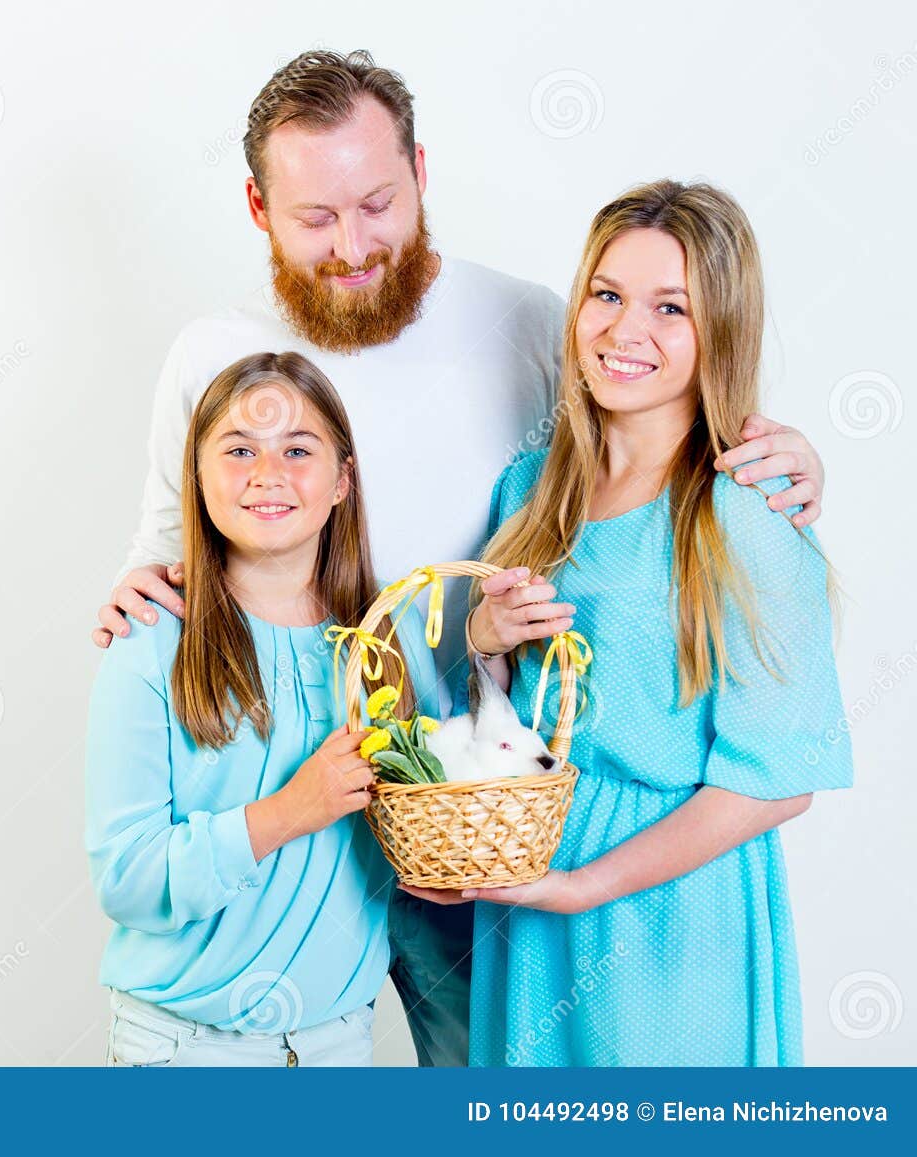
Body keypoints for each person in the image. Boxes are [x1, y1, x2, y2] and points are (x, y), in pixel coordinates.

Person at [91, 49, 828, 1066]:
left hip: (481, 810)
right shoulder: (211, 354)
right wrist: (135, 588)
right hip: (302, 802)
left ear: (422, 172)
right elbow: (170, 553)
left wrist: (769, 452)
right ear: (259, 209)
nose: (352, 245)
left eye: (377, 201)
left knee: (494, 1070)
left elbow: (642, 423)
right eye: (314, 218)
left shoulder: (529, 320)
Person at [399, 180, 853, 1066]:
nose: (623, 329)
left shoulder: (743, 512)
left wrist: (580, 885)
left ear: (720, 329)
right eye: (606, 294)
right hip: (529, 906)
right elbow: (514, 731)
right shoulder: (528, 494)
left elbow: (776, 780)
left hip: (673, 912)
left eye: (670, 307)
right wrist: (486, 649)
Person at [86, 351, 431, 1066]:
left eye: (297, 449)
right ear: (199, 479)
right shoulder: (149, 639)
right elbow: (128, 880)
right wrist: (289, 810)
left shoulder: (383, 636)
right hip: (185, 1048)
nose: (267, 472)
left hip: (338, 1042)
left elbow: (419, 815)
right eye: (239, 449)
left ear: (342, 479)